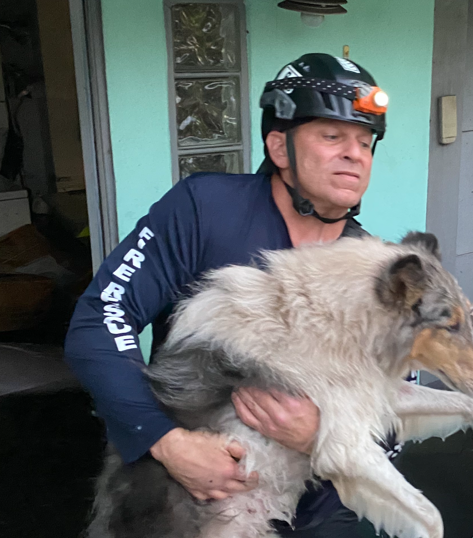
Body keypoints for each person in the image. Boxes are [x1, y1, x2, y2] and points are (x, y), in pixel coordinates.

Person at [64, 53, 401, 536]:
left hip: (324, 505)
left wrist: (325, 435)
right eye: (332, 136)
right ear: (279, 148)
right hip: (193, 498)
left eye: (366, 142)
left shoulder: (376, 268)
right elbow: (101, 318)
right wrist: (165, 440)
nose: (355, 153)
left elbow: (395, 412)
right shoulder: (205, 208)